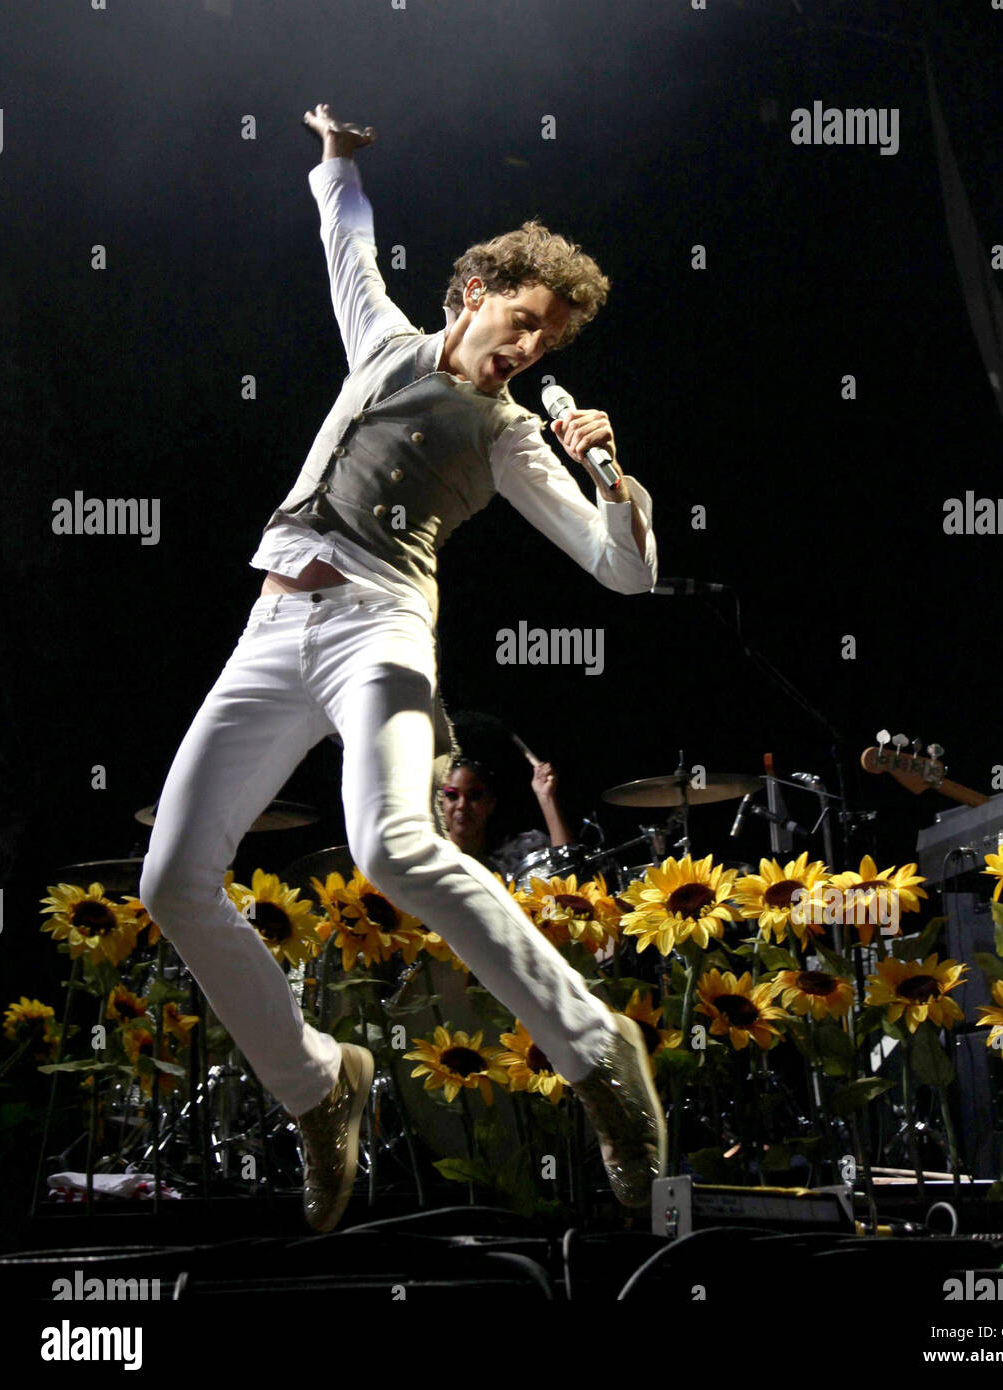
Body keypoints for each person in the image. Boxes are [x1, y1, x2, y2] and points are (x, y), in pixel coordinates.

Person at [139, 103, 665, 1230]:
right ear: (470, 294)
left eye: (547, 343)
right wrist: (334, 159)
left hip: (380, 624)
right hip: (270, 630)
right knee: (171, 882)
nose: (526, 350)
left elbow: (619, 576)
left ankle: (596, 1051)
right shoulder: (380, 340)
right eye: (521, 321)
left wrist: (616, 487)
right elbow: (346, 239)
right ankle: (320, 1084)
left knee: (393, 844)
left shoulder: (512, 435)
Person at [442, 754, 574, 878]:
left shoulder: (516, 856)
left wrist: (546, 798)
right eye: (452, 795)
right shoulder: (429, 859)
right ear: (441, 801)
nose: (461, 805)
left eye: (474, 796)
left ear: (490, 804)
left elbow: (568, 869)